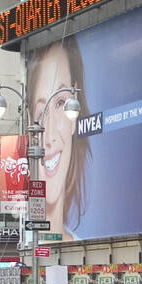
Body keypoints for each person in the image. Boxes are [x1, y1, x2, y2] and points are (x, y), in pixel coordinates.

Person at [27, 36, 90, 240]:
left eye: (61, 102)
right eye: (40, 111)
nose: (50, 135)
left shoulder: (86, 251)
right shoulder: (24, 247)